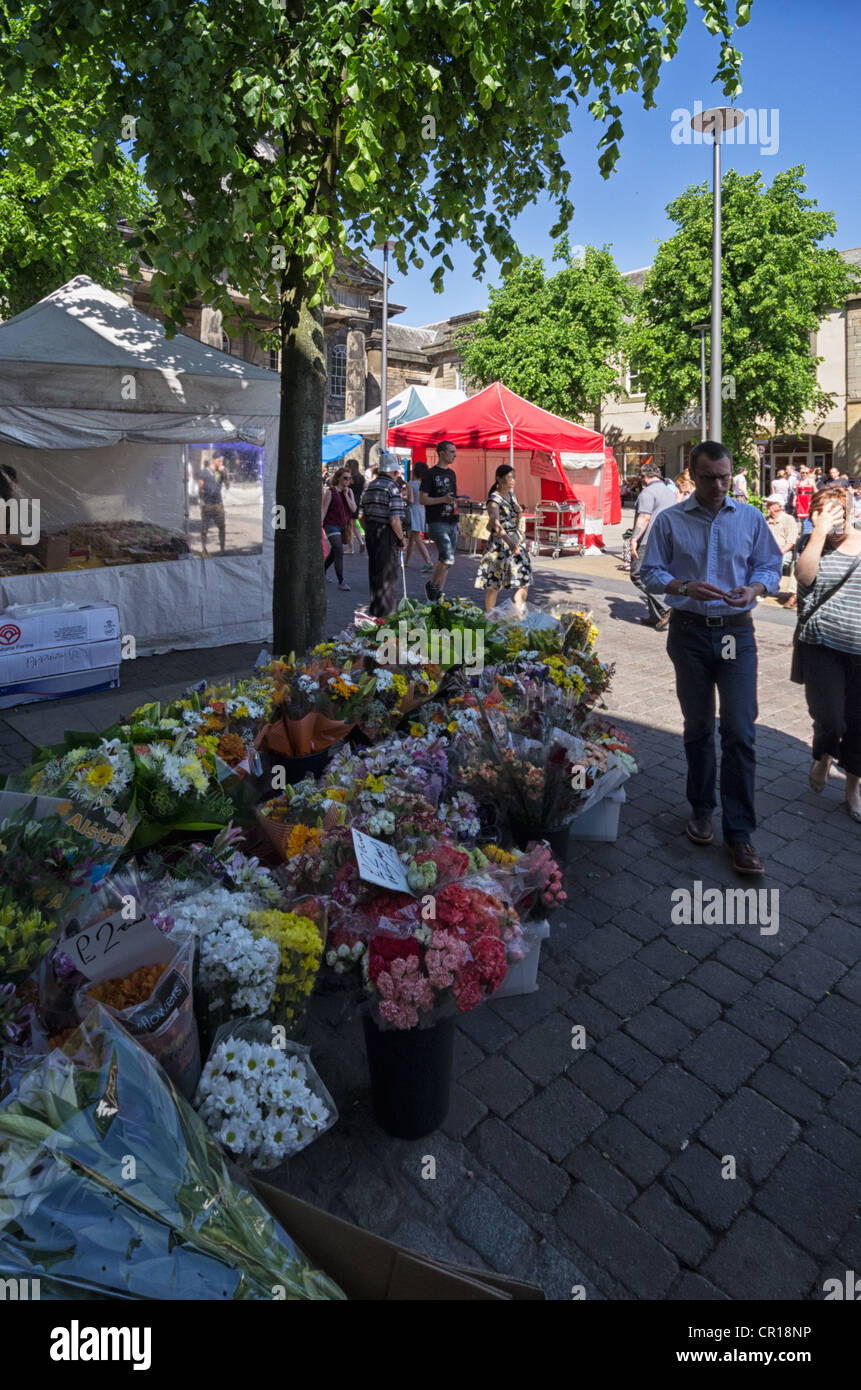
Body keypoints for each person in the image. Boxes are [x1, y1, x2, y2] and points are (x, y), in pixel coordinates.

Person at [640, 440, 783, 875]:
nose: (719, 485)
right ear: (692, 474)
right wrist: (683, 587)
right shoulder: (670, 520)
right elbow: (649, 572)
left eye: (725, 476)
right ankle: (702, 808)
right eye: (709, 478)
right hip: (690, 634)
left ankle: (739, 834)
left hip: (736, 635)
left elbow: (770, 567)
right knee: (699, 726)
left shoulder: (751, 517)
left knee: (740, 730)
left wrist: (754, 589)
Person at [794, 486, 861, 822]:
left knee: (859, 724)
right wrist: (818, 533)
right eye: (824, 513)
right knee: (831, 717)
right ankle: (823, 757)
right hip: (821, 645)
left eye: (840, 513)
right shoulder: (811, 544)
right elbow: (805, 578)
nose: (835, 520)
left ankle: (852, 789)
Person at [474, 463, 532, 614]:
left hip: (515, 542)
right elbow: (496, 524)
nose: (513, 480)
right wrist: (510, 543)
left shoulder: (512, 496)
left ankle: (517, 611)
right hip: (499, 546)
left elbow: (516, 518)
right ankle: (489, 616)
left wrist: (519, 512)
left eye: (514, 477)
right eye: (509, 477)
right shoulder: (494, 500)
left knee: (524, 578)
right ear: (499, 479)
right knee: (494, 584)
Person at [629, 462, 677, 629]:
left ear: (645, 476)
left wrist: (634, 540)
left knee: (638, 575)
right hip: (666, 541)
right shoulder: (669, 492)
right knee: (656, 575)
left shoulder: (647, 493)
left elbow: (644, 517)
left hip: (648, 541)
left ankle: (666, 606)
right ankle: (654, 615)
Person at [359, 451, 407, 618]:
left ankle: (375, 609)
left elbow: (361, 515)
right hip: (387, 534)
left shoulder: (370, 486)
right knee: (387, 576)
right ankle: (386, 615)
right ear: (394, 472)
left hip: (372, 532)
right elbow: (395, 520)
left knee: (374, 571)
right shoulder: (392, 487)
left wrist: (368, 530)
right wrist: (401, 538)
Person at [420, 440, 460, 601]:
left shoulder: (452, 474)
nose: (454, 455)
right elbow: (422, 499)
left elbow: (454, 498)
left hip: (452, 520)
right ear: (441, 453)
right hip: (437, 520)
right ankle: (432, 586)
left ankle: (438, 592)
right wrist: (442, 499)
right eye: (451, 452)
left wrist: (457, 520)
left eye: (455, 452)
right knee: (447, 557)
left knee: (447, 561)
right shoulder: (430, 474)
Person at [321, 465, 356, 591]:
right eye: (345, 478)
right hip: (331, 525)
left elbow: (353, 509)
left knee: (334, 552)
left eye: (349, 478)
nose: (347, 481)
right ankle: (341, 581)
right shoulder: (330, 492)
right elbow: (324, 510)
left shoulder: (349, 492)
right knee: (339, 551)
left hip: (344, 526)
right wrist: (320, 524)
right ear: (338, 478)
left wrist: (346, 496)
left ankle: (322, 571)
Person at [765, 492, 800, 610]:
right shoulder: (765, 520)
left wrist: (776, 554)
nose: (767, 506)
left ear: (779, 506)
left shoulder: (789, 520)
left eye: (770, 504)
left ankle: (791, 594)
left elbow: (791, 542)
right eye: (767, 504)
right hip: (766, 551)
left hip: (785, 552)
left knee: (779, 561)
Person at [404, 461, 432, 571]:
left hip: (413, 511)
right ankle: (406, 561)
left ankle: (428, 561)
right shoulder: (424, 485)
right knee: (412, 538)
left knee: (416, 538)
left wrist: (402, 498)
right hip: (421, 511)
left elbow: (410, 500)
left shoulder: (411, 484)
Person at [199, 455, 229, 554]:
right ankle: (204, 548)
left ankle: (222, 549)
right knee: (204, 528)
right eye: (219, 461)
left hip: (218, 504)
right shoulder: (204, 472)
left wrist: (224, 473)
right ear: (213, 460)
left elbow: (228, 486)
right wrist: (201, 502)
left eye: (222, 461)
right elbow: (200, 487)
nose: (221, 463)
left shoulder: (221, 472)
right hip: (207, 504)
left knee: (222, 527)